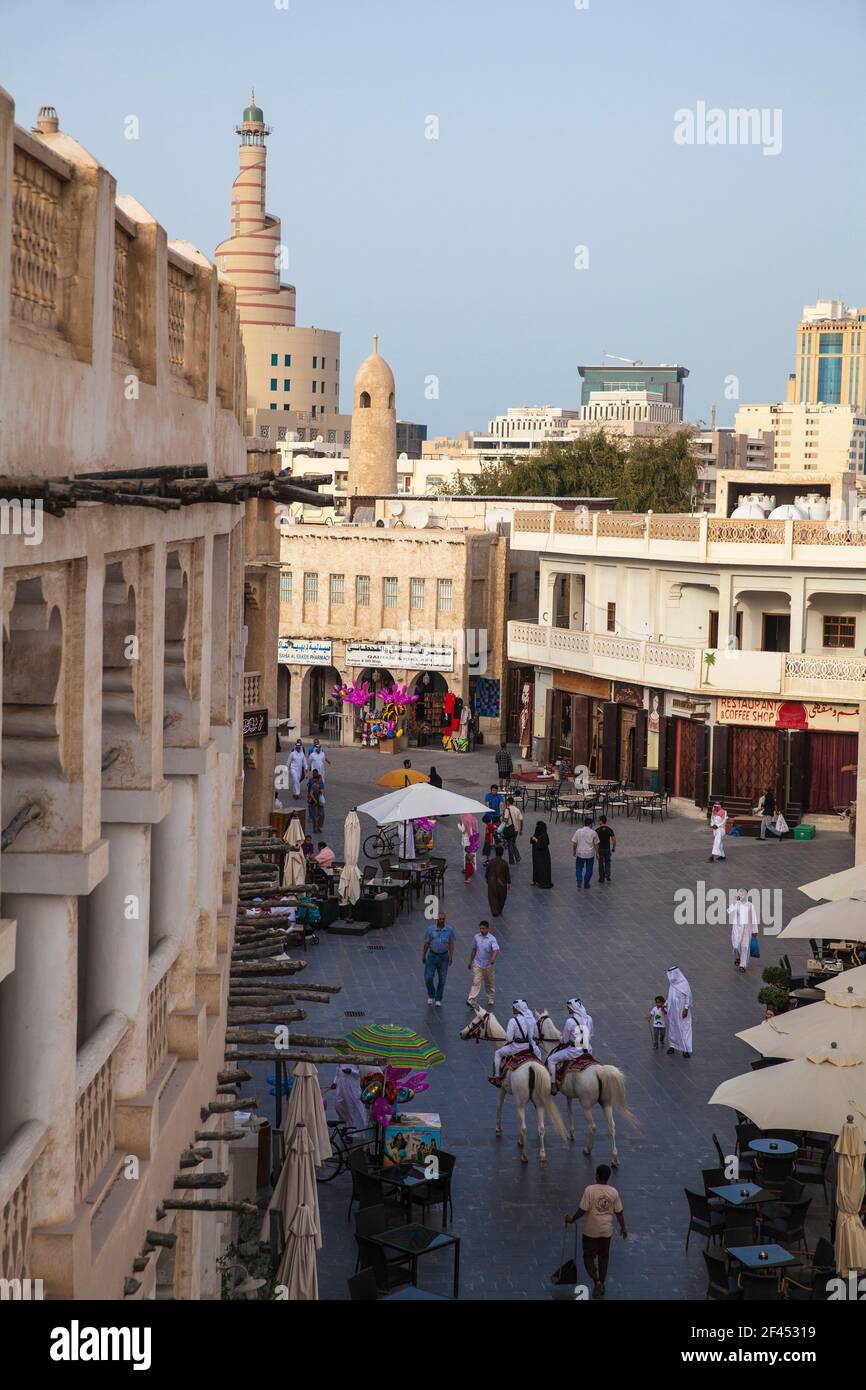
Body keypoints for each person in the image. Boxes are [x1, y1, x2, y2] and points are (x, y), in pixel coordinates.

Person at [566, 1163, 628, 1298]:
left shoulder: (590, 1190)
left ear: (597, 1176)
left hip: (591, 1231)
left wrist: (572, 1219)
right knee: (604, 1257)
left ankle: (597, 1282)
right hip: (607, 1232)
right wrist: (623, 1227)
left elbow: (582, 1210)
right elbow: (619, 1212)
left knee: (588, 1257)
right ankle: (601, 1282)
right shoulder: (613, 1192)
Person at [491, 999, 542, 1085]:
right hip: (531, 1047)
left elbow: (509, 1039)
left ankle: (497, 1077)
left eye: (513, 1007)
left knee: (498, 1053)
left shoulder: (513, 1021)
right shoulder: (532, 1019)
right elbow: (537, 1036)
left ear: (518, 1009)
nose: (512, 1009)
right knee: (539, 1056)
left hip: (516, 1048)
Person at [547, 997, 593, 1093]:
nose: (568, 1009)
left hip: (574, 1051)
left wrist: (560, 1038)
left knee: (551, 1060)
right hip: (588, 1049)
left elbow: (565, 1040)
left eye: (569, 1008)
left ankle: (553, 1084)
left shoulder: (570, 1021)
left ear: (573, 1008)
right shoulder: (589, 1018)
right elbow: (590, 1035)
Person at [422, 912, 455, 1007]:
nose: (442, 921)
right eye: (440, 919)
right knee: (428, 977)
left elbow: (451, 944)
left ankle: (438, 998)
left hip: (444, 957)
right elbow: (427, 943)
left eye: (443, 919)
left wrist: (451, 957)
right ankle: (431, 994)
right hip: (432, 955)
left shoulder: (449, 930)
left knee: (442, 979)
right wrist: (424, 955)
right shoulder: (430, 929)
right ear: (436, 919)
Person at [467, 919, 499, 1007]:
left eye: (483, 928)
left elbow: (496, 950)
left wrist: (493, 958)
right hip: (477, 963)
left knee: (489, 982)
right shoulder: (476, 937)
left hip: (488, 964)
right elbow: (474, 949)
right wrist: (470, 961)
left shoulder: (492, 939)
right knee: (476, 982)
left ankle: (490, 998)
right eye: (480, 928)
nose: (481, 930)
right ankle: (472, 999)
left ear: (487, 929)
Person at [327, 1064, 367, 1133]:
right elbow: (338, 1070)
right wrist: (335, 1082)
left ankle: (350, 1131)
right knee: (339, 1106)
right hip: (341, 1085)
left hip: (352, 1086)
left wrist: (351, 1071)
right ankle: (346, 1125)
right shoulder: (341, 1058)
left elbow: (360, 1073)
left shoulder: (357, 1059)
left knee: (352, 1109)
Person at [665, 966, 693, 1057]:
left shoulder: (684, 984)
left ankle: (685, 1050)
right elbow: (670, 996)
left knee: (683, 1029)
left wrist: (686, 1009)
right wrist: (665, 1005)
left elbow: (688, 997)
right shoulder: (672, 984)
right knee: (672, 1028)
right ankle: (672, 1046)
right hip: (673, 1011)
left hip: (681, 1011)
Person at [728, 889, 758, 971]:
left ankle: (742, 965)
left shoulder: (750, 905)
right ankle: (737, 957)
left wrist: (755, 930)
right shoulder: (736, 904)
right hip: (737, 928)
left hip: (746, 929)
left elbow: (754, 918)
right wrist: (733, 901)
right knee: (735, 946)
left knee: (744, 946)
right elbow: (729, 911)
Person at [572, 817, 599, 890]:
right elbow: (596, 844)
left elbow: (574, 843)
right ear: (590, 824)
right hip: (590, 854)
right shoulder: (593, 832)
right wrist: (597, 853)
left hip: (580, 853)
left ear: (584, 823)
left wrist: (574, 851)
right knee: (589, 869)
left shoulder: (578, 831)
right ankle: (586, 883)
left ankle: (579, 879)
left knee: (578, 868)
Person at [485, 844, 511, 918]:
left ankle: (494, 910)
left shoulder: (491, 862)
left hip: (492, 882)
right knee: (502, 897)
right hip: (501, 884)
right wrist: (508, 882)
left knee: (492, 897)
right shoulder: (504, 863)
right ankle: (499, 909)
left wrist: (487, 879)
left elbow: (487, 872)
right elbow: (507, 874)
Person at [530, 820, 553, 889]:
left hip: (542, 856)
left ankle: (543, 882)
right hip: (537, 855)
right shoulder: (538, 833)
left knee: (542, 868)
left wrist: (536, 840)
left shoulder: (544, 835)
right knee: (537, 867)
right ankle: (536, 880)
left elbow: (542, 845)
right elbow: (532, 840)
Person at [501, 796, 523, 864]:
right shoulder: (517, 809)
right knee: (513, 844)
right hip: (515, 830)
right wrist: (521, 830)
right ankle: (517, 857)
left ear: (508, 802)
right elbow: (521, 820)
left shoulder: (507, 810)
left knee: (510, 845)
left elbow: (506, 820)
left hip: (509, 829)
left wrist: (502, 816)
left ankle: (512, 860)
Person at [595, 815, 616, 884]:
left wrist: (596, 851)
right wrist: (613, 847)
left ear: (601, 821)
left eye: (599, 820)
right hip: (607, 849)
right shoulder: (609, 829)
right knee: (608, 862)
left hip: (600, 849)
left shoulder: (597, 831)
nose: (598, 822)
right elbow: (613, 840)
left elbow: (596, 842)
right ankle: (608, 874)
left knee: (600, 864)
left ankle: (601, 878)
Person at [460, 813, 479, 881]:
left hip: (466, 840)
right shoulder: (474, 819)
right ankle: (474, 867)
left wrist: (459, 825)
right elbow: (476, 829)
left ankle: (466, 868)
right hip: (473, 839)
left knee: (466, 855)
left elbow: (463, 830)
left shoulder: (464, 820)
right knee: (473, 854)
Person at [307, 768, 325, 833]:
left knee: (322, 814)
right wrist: (313, 799)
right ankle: (315, 828)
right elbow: (310, 792)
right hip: (314, 802)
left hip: (319, 801)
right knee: (315, 816)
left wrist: (321, 791)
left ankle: (319, 827)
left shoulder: (320, 783)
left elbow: (322, 789)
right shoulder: (313, 784)